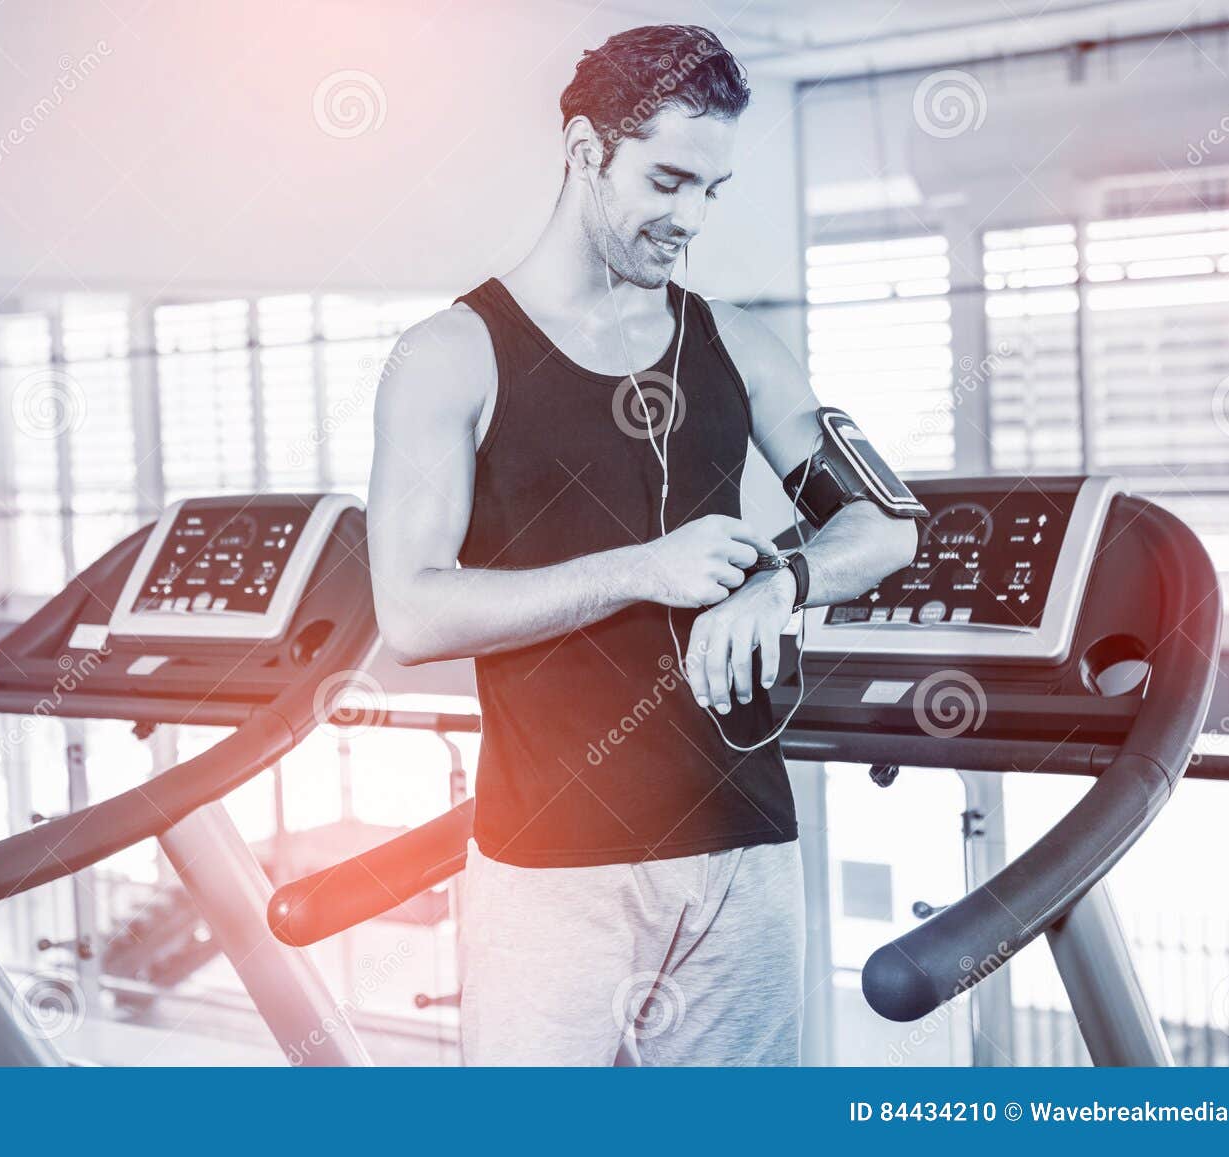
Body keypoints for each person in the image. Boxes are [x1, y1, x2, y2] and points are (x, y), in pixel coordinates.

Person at [367, 24, 918, 1065]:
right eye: (667, 181)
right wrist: (639, 569)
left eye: (711, 188)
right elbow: (411, 611)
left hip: (743, 846)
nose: (691, 218)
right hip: (552, 867)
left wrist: (783, 583)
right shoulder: (452, 356)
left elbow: (884, 522)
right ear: (585, 149)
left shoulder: (737, 343)